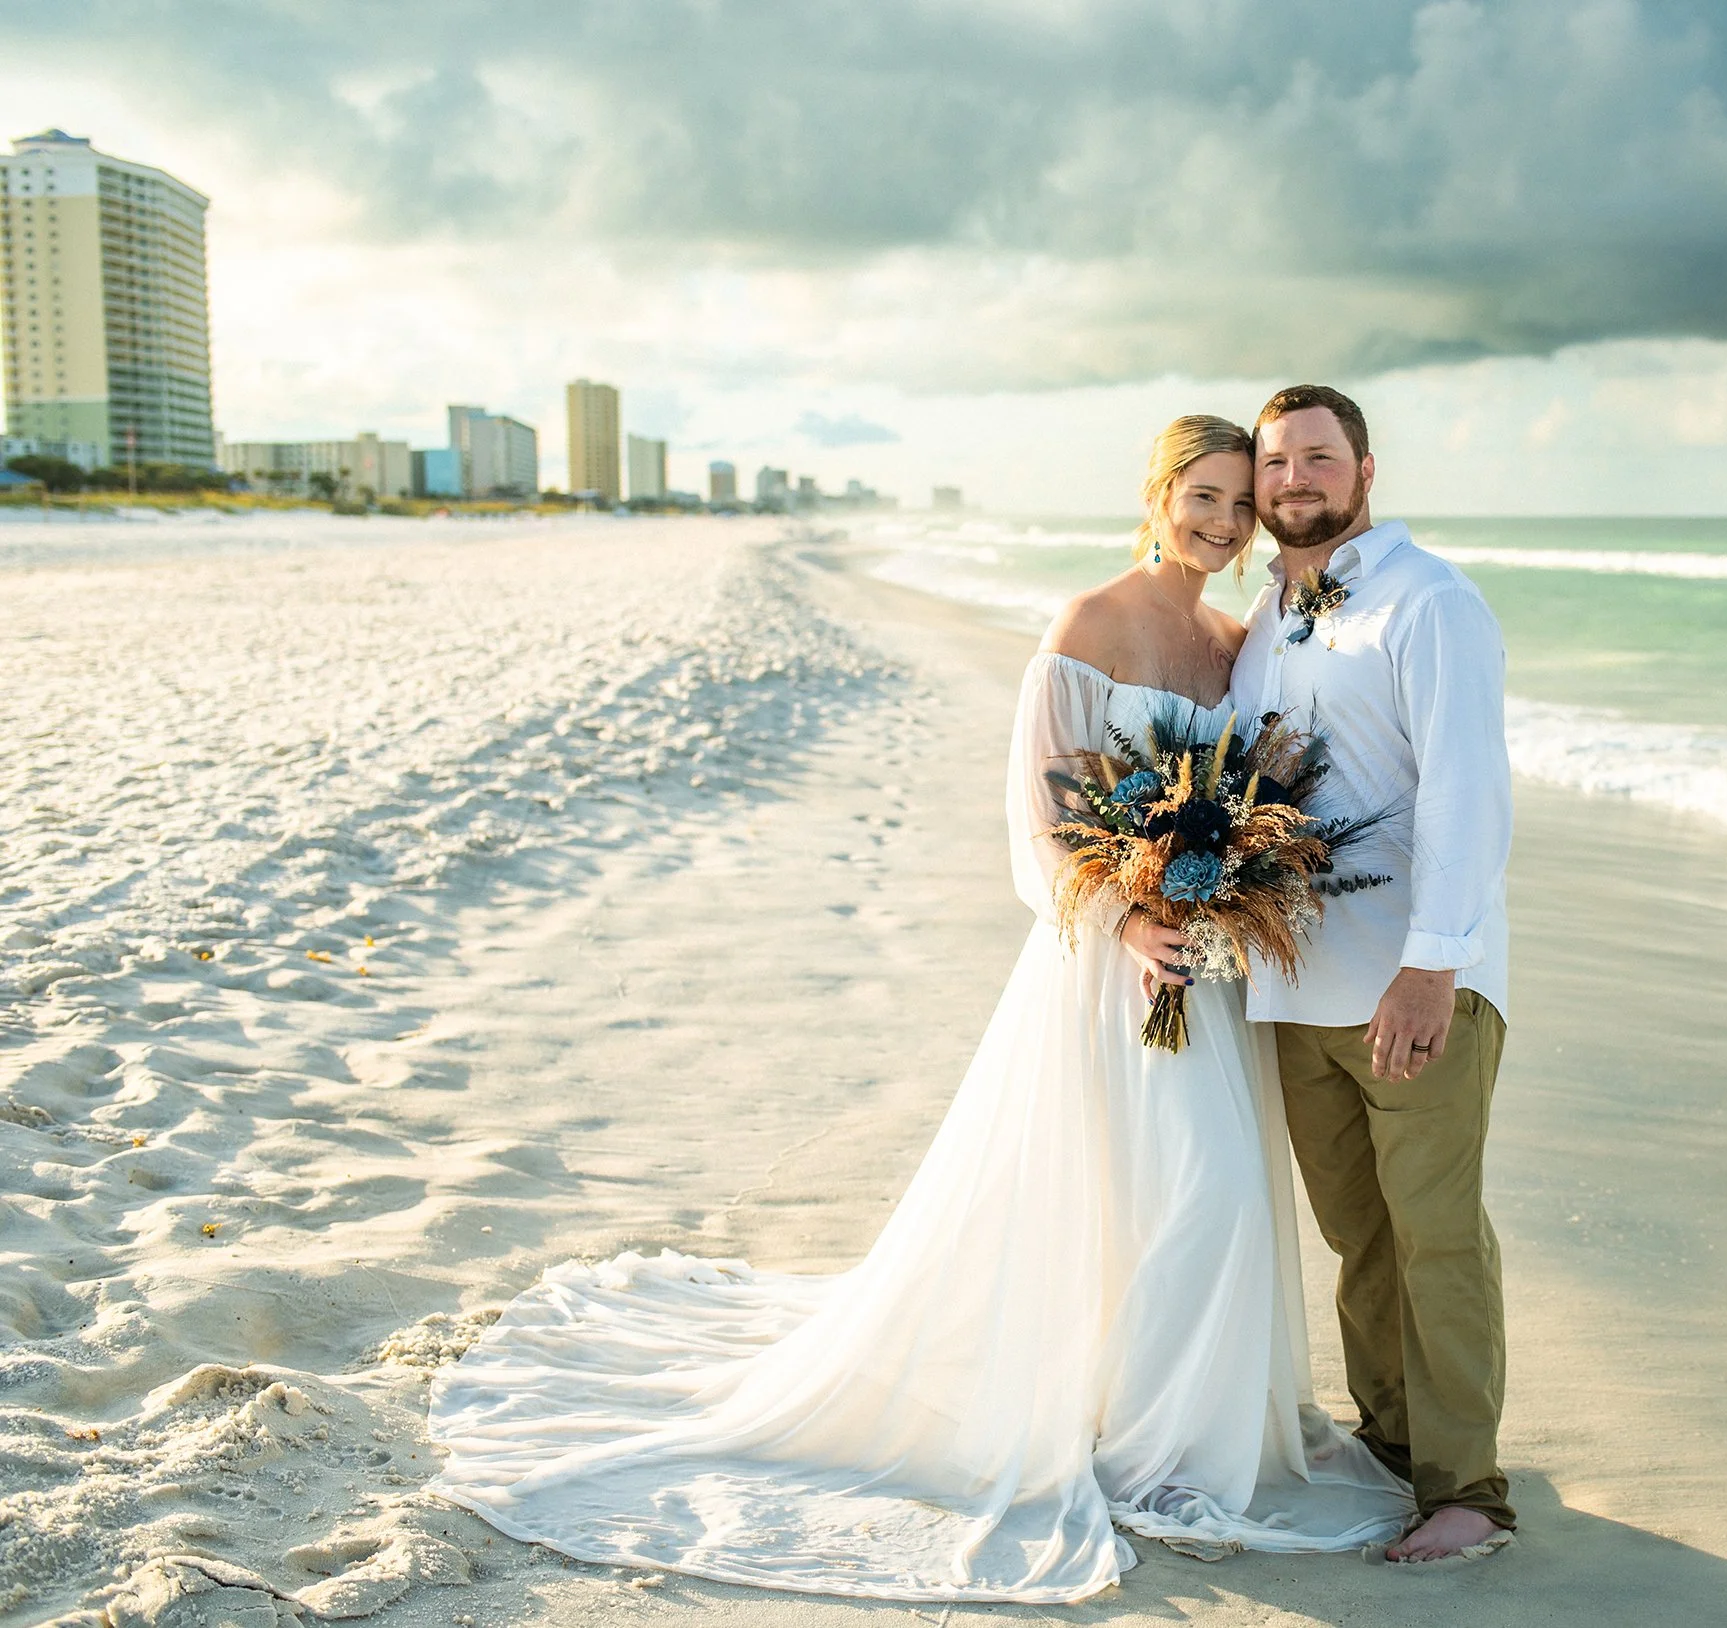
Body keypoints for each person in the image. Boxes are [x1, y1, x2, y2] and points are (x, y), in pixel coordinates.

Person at [425, 416, 1411, 1603]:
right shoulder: (1086, 626)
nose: (1221, 521)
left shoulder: (1237, 638)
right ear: (1157, 495)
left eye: (1238, 505)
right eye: (1202, 496)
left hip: (1209, 972)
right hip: (1109, 971)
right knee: (1167, 1188)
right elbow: (1043, 821)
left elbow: (1264, 789)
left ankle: (1176, 1429)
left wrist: (1228, 895)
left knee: (1208, 1197)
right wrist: (1126, 916)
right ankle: (1154, 1452)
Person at [1232, 384, 1516, 1564]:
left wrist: (1431, 964)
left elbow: (1466, 786)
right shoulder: (1266, 619)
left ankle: (1470, 1488)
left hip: (1413, 983)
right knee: (1359, 1236)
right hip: (1297, 987)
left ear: (1363, 470)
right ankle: (1395, 1441)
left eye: (1317, 456)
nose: (1295, 477)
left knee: (1435, 1231)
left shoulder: (1429, 599)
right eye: (1275, 462)